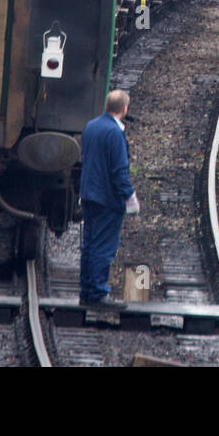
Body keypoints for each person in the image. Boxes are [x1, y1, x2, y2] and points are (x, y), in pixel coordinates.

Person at [79, 89, 138, 305]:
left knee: (89, 244)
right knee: (103, 246)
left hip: (88, 194)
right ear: (124, 109)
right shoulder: (114, 133)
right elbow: (119, 170)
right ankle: (98, 293)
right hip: (107, 198)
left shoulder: (91, 126)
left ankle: (86, 290)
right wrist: (129, 195)